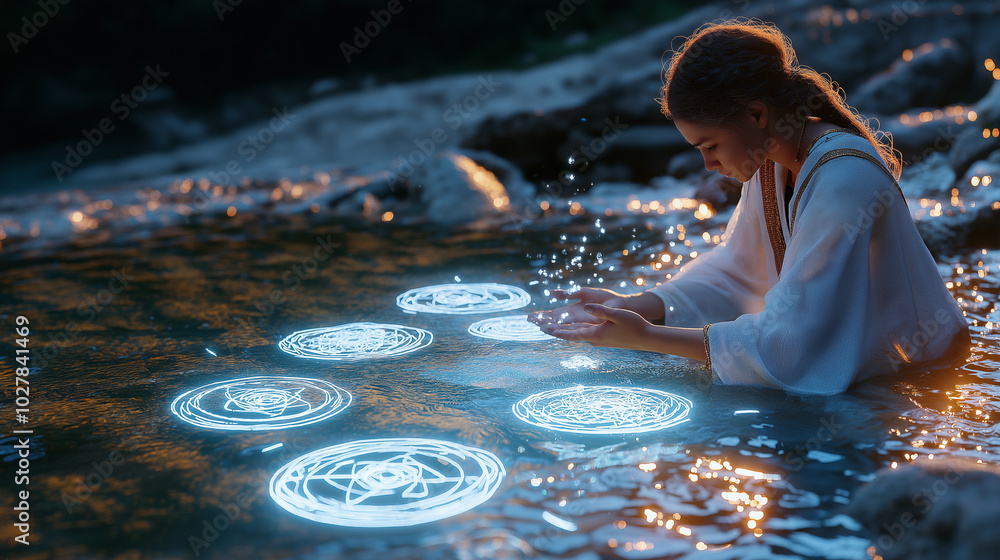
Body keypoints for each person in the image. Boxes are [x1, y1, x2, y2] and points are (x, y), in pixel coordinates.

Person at [528, 19, 970, 395]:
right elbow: (737, 271)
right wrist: (642, 304)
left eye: (711, 145)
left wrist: (646, 338)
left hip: (918, 378)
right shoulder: (772, 162)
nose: (707, 165)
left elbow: (794, 342)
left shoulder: (844, 178)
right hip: (876, 374)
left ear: (757, 116)